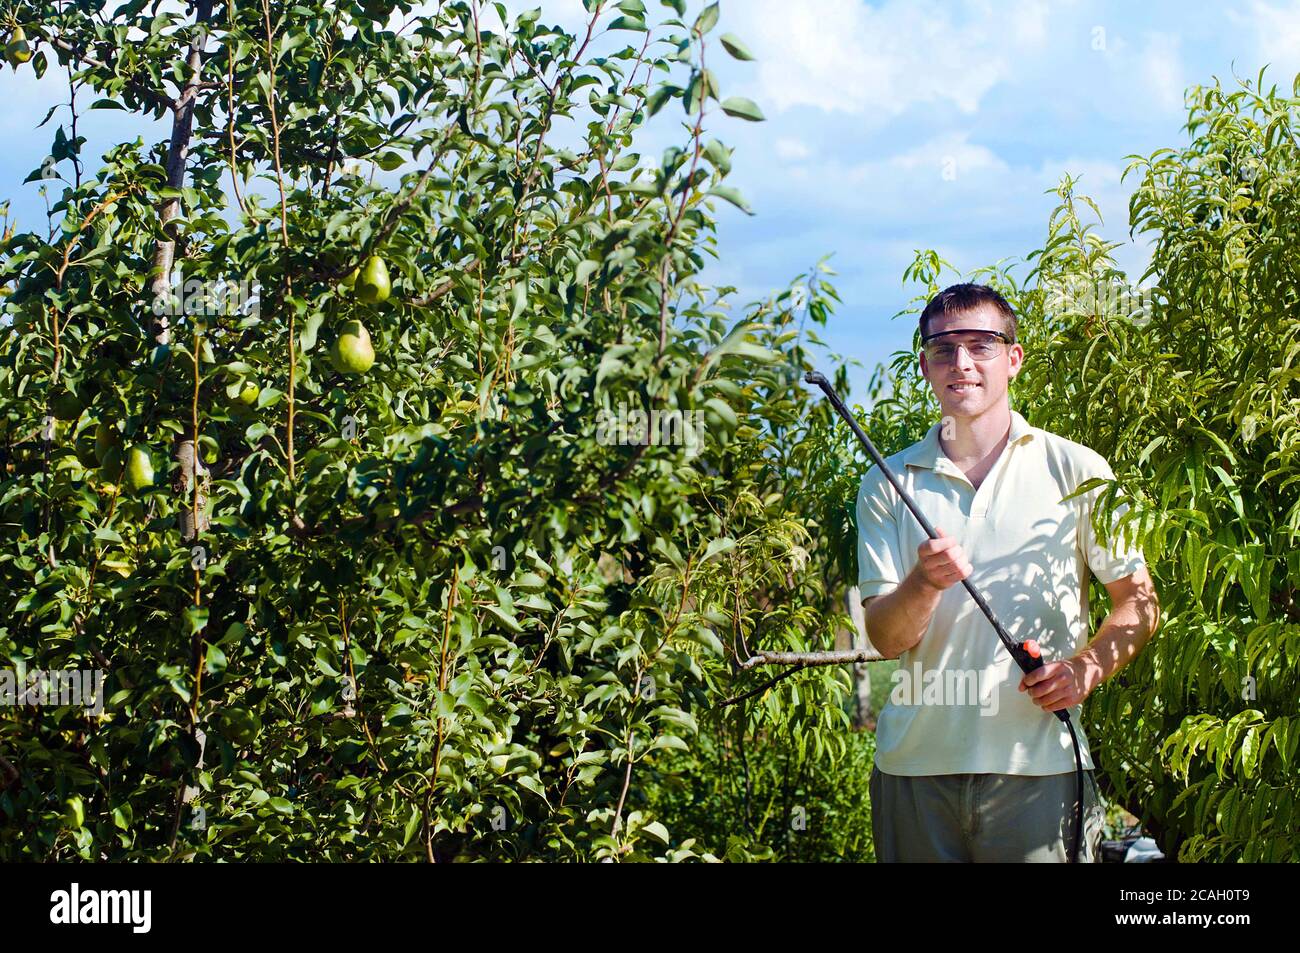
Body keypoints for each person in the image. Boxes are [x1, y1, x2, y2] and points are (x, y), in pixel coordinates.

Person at [857, 283, 1160, 862]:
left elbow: (1138, 601)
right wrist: (924, 584)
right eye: (944, 349)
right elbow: (886, 638)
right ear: (924, 365)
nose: (962, 364)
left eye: (982, 345)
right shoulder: (886, 483)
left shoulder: (1076, 467)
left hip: (1042, 768)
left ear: (1014, 359)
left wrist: (1086, 669)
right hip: (914, 770)